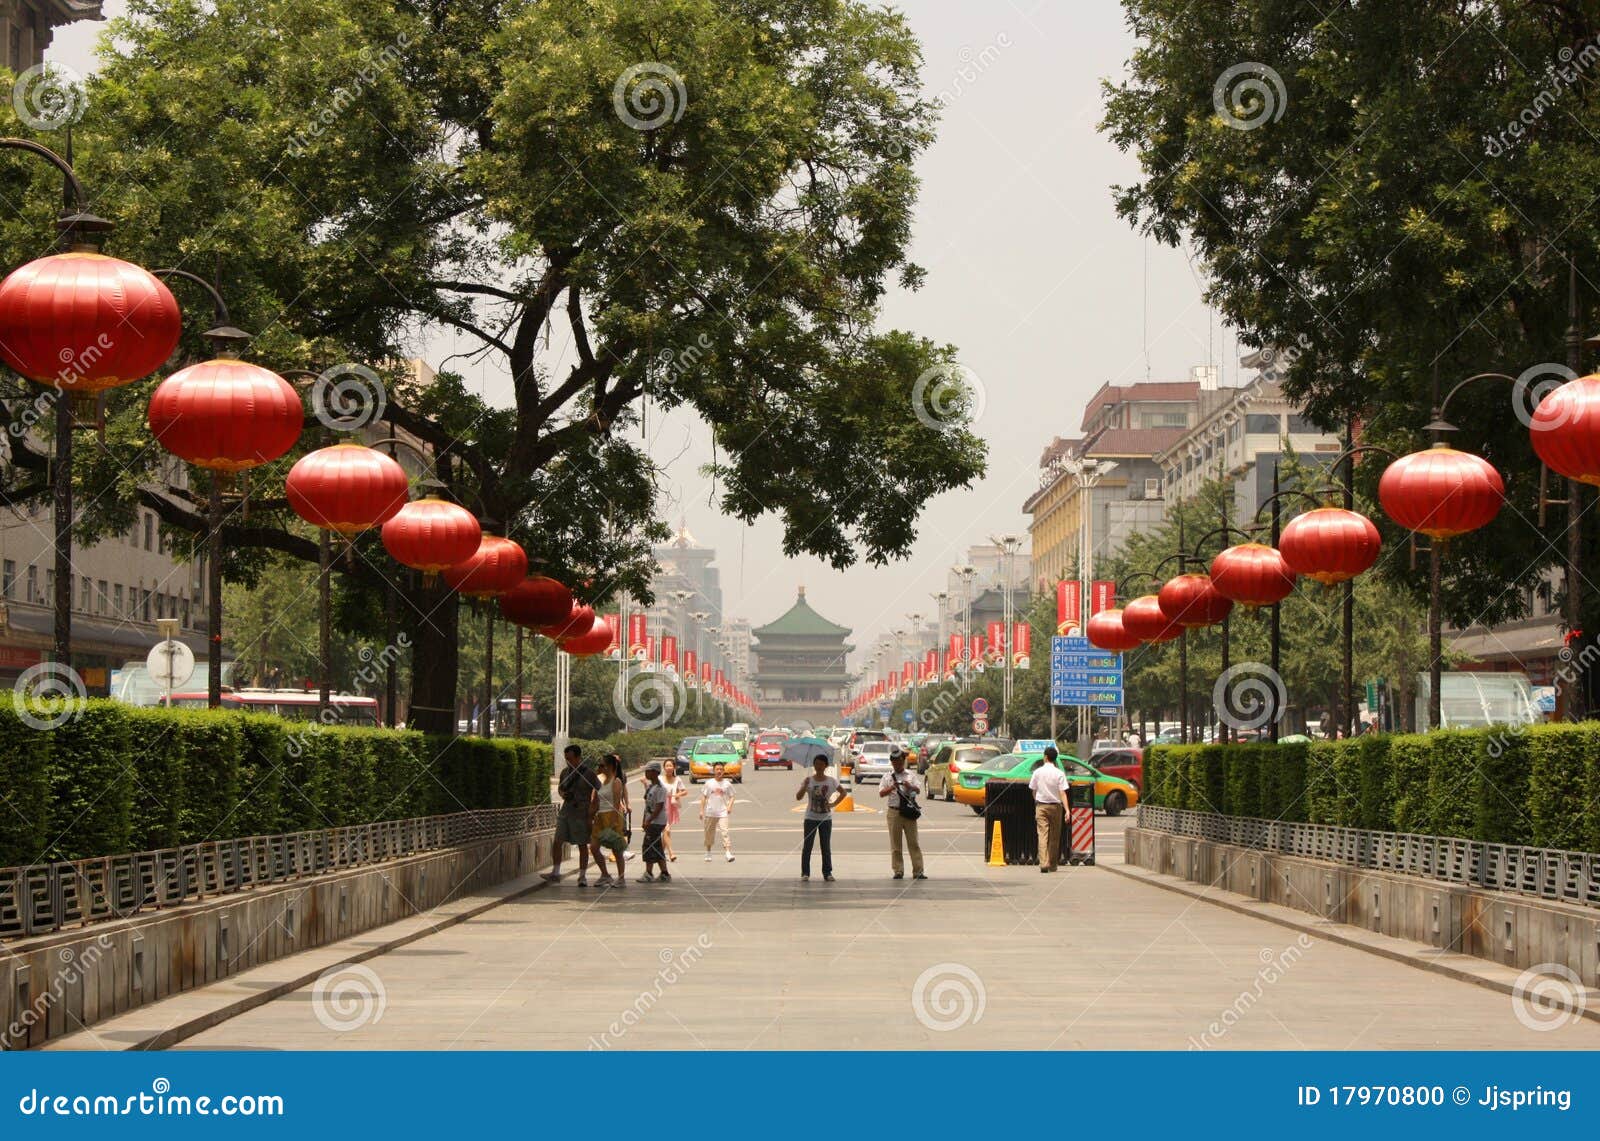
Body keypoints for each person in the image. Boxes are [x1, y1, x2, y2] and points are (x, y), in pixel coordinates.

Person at [546, 744, 597, 886]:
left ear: (578, 757)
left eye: (570, 758)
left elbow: (598, 790)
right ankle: (555, 872)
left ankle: (582, 876)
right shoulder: (564, 773)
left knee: (582, 844)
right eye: (566, 759)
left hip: (581, 812)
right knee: (557, 841)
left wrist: (591, 811)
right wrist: (563, 794)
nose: (568, 761)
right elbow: (560, 789)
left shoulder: (589, 774)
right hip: (566, 811)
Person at [878, 747, 926, 880]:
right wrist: (892, 787)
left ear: (904, 761)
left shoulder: (910, 775)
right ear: (891, 763)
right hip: (894, 812)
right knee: (895, 844)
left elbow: (918, 790)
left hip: (909, 812)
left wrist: (909, 787)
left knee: (913, 843)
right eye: (894, 762)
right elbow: (881, 793)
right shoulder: (887, 776)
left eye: (899, 762)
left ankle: (918, 870)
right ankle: (898, 870)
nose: (897, 765)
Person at [795, 754, 845, 881]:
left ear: (826, 766)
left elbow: (843, 792)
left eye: (821, 764)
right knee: (808, 846)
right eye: (816, 763)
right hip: (810, 817)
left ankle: (827, 872)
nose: (818, 766)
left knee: (825, 846)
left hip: (825, 818)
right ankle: (805, 873)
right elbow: (798, 797)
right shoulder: (809, 780)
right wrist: (804, 786)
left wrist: (834, 804)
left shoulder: (831, 781)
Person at [588, 753, 630, 887]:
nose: (600, 768)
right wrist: (590, 815)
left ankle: (621, 878)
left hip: (612, 816)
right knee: (594, 847)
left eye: (603, 765)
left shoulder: (616, 781)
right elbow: (595, 801)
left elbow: (617, 803)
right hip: (600, 816)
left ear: (611, 766)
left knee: (616, 849)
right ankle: (605, 874)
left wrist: (613, 822)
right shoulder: (600, 781)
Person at [1028, 745, 1068, 874]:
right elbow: (1063, 793)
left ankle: (1043, 863)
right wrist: (1067, 810)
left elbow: (1033, 790)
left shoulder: (1037, 772)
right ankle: (1052, 865)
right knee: (1055, 837)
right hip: (1056, 807)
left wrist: (1036, 800)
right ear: (1055, 759)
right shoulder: (1059, 773)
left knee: (1042, 835)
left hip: (1041, 806)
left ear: (1045, 757)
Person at [639, 763, 671, 883]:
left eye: (648, 771)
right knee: (656, 846)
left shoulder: (661, 789)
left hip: (657, 822)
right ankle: (664, 873)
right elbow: (647, 806)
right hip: (650, 821)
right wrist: (644, 820)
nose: (646, 774)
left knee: (648, 846)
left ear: (655, 772)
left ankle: (649, 873)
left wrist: (649, 820)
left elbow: (659, 807)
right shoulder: (650, 787)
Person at [700, 761, 736, 862]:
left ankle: (728, 853)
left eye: (721, 769)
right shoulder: (709, 783)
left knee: (725, 832)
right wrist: (701, 811)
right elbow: (703, 797)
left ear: (724, 771)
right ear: (714, 771)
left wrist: (729, 806)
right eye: (717, 769)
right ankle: (708, 852)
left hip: (722, 812)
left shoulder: (727, 784)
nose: (719, 771)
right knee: (709, 833)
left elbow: (732, 796)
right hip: (710, 812)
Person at [660, 759, 688, 862]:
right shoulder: (660, 779)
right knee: (666, 830)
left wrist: (677, 795)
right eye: (667, 766)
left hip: (671, 806)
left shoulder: (677, 779)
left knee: (666, 831)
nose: (669, 768)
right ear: (664, 768)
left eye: (670, 766)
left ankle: (661, 855)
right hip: (661, 806)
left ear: (674, 768)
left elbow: (685, 791)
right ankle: (671, 852)